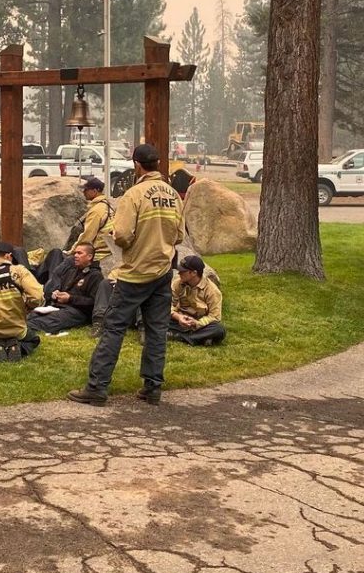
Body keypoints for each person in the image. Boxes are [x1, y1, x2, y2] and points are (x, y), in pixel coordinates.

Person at [69, 143, 185, 407]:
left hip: (134, 274)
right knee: (156, 330)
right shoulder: (173, 194)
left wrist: (120, 240)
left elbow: (121, 234)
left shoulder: (134, 195)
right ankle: (152, 388)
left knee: (113, 328)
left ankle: (96, 388)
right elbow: (179, 235)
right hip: (163, 272)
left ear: (137, 165)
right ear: (157, 164)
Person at [28, 241, 102, 335]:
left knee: (43, 322)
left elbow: (94, 302)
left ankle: (19, 329)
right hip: (59, 307)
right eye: (75, 253)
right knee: (32, 315)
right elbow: (62, 290)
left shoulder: (95, 276)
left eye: (79, 253)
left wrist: (70, 298)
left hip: (77, 312)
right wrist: (56, 294)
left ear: (89, 256)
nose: (75, 255)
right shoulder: (71, 271)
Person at [169, 255, 226, 346]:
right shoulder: (177, 283)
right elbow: (169, 305)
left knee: (219, 330)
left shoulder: (212, 291)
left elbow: (215, 317)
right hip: (179, 319)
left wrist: (196, 323)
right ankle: (200, 338)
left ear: (194, 273)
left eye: (183, 271)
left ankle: (180, 336)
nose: (179, 273)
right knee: (155, 312)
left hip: (199, 324)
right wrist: (178, 317)